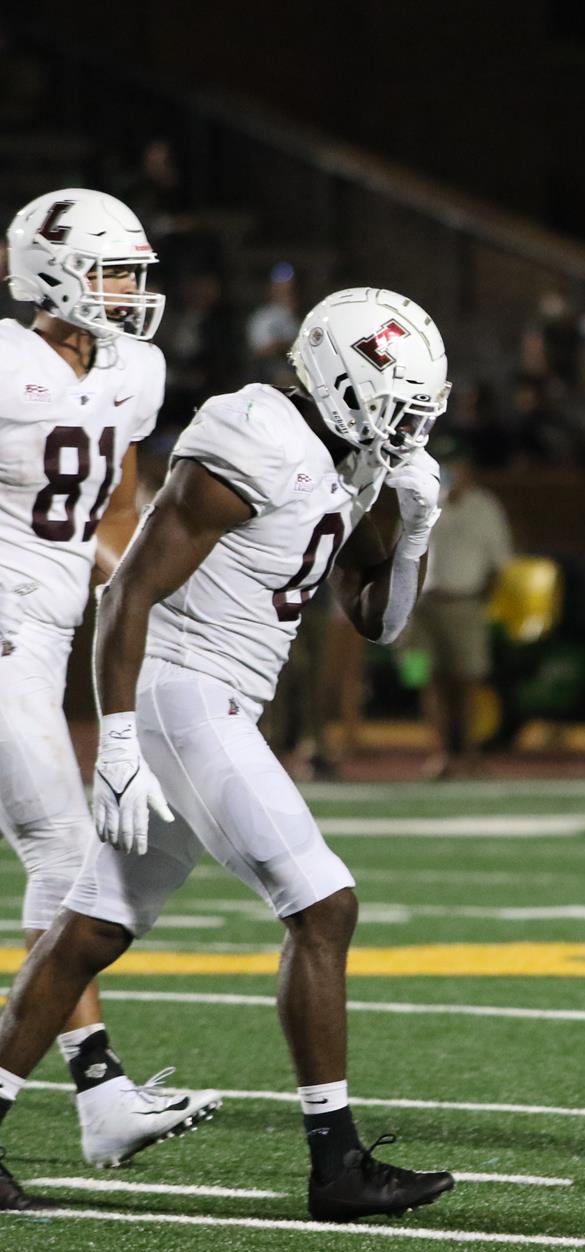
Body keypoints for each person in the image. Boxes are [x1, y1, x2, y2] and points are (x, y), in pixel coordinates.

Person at [0, 287, 456, 1220]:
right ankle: (336, 1162)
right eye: (397, 402)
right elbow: (126, 593)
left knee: (93, 928)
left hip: (218, 704)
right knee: (323, 904)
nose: (407, 426)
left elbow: (378, 620)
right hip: (182, 694)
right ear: (338, 377)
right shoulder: (255, 432)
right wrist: (119, 738)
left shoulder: (346, 462)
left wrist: (415, 532)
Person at [0, 189, 219, 1194]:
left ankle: (100, 1095)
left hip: (46, 631)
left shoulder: (132, 368)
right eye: (112, 273)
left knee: (64, 852)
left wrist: (136, 595)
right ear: (50, 273)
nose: (130, 295)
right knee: (66, 850)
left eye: (135, 275)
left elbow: (116, 497)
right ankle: (96, 1092)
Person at [406, 449, 513, 778]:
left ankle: (469, 753)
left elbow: (499, 562)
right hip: (425, 604)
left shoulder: (485, 506)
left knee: (467, 681)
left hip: (464, 604)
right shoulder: (427, 500)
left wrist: (481, 600)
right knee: (427, 679)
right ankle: (440, 754)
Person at [244, 261, 300, 383]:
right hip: (271, 370)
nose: (286, 292)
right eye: (281, 288)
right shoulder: (263, 316)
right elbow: (261, 351)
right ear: (271, 289)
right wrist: (286, 344)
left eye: (290, 288)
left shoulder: (299, 316)